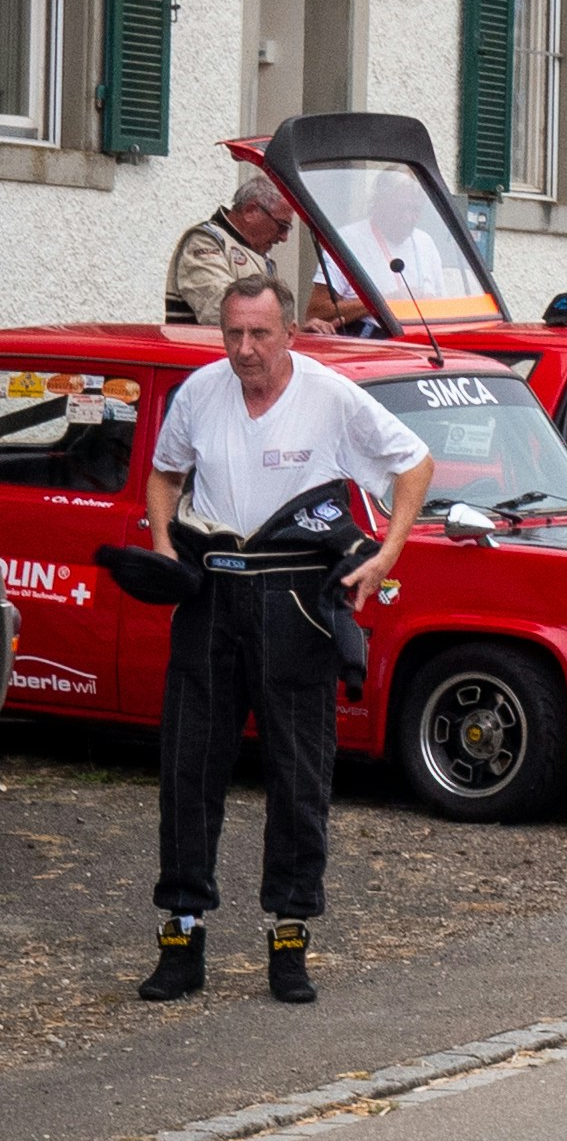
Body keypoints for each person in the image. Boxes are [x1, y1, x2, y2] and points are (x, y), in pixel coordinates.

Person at [139, 271, 433, 1003]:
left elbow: (414, 464)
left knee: (299, 776)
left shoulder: (330, 397)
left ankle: (289, 936)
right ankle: (182, 936)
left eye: (259, 334)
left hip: (295, 597)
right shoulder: (200, 391)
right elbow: (163, 475)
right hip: (212, 593)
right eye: (233, 333)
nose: (244, 349)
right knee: (188, 769)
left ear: (289, 334)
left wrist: (386, 554)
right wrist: (164, 550)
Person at [163, 170, 295, 328]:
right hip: (207, 350)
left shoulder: (254, 251)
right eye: (281, 226)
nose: (284, 237)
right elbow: (222, 308)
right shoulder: (205, 241)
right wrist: (282, 327)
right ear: (250, 211)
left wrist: (298, 329)